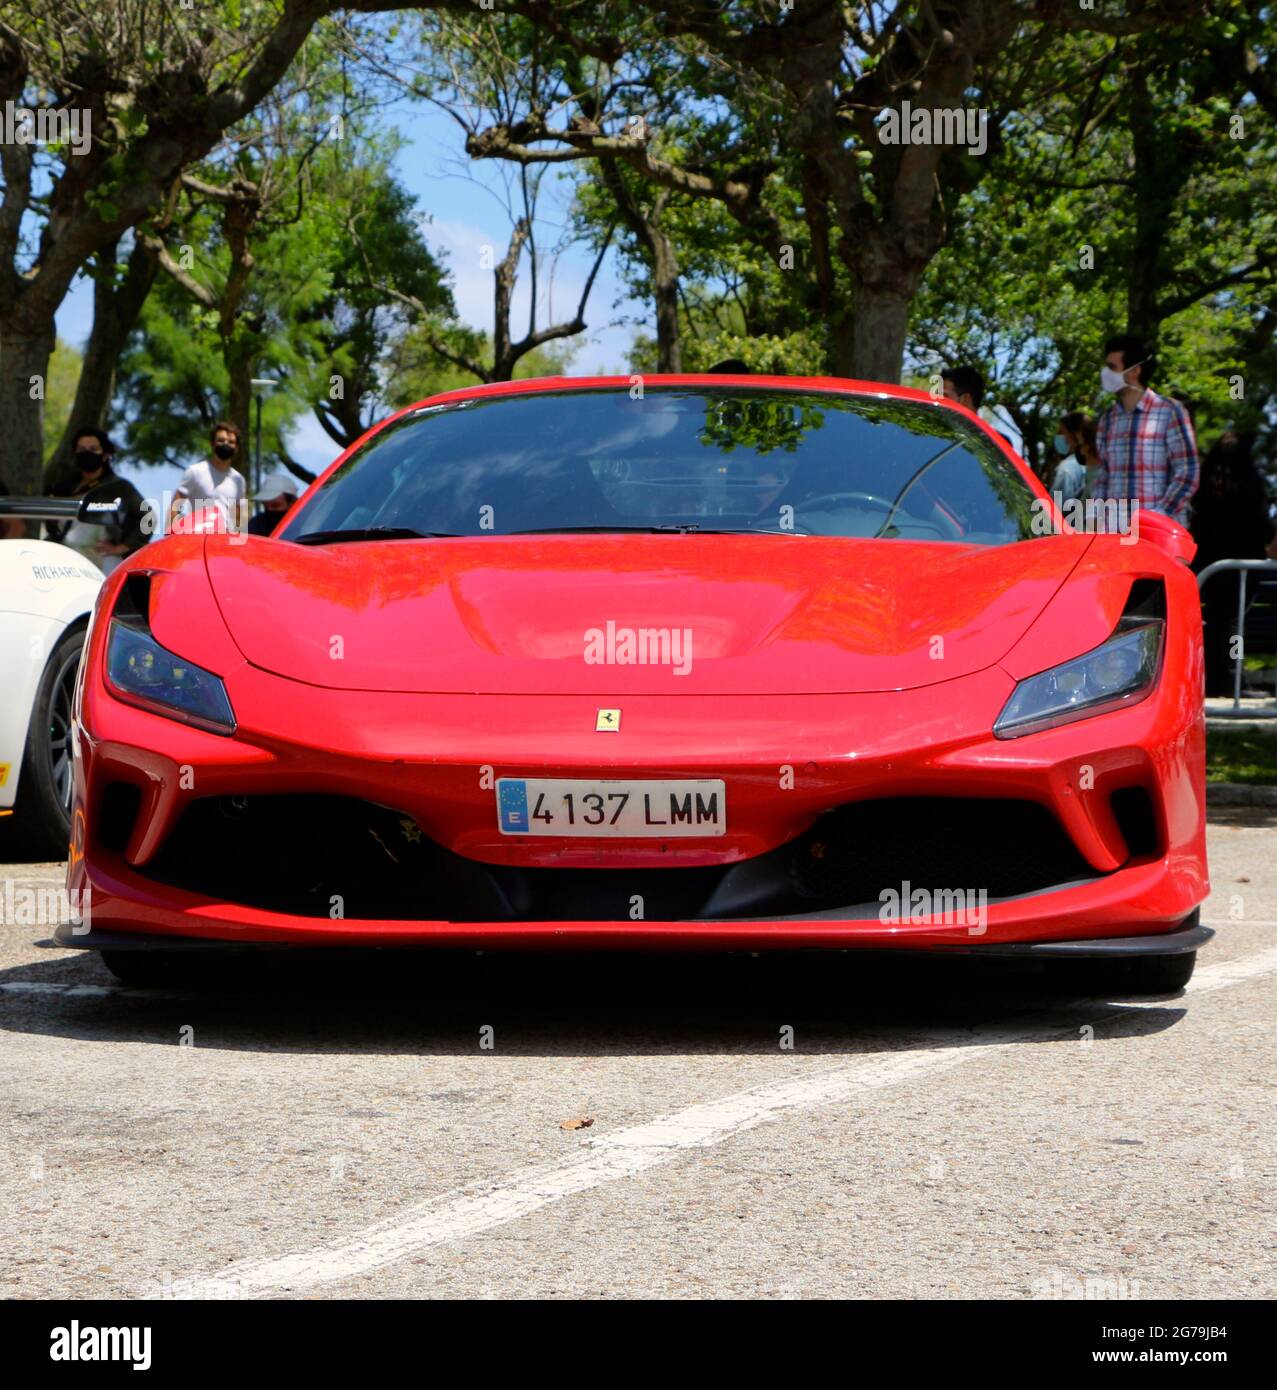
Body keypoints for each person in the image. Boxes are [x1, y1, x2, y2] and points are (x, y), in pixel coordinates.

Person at [1191, 430, 1274, 696]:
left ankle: (1215, 679)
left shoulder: (1204, 488)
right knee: (1233, 625)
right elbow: (1263, 525)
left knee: (1215, 622)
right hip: (1244, 564)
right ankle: (1233, 680)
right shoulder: (1250, 485)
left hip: (1211, 565)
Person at [1093, 334, 1199, 524]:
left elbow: (1188, 471)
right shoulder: (1107, 420)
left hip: (1160, 537)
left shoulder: (1170, 411)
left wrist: (1158, 517)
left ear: (1135, 371)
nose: (1105, 373)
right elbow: (1103, 478)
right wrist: (1096, 520)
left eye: (1112, 367)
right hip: (1116, 538)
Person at [47, 426, 153, 574]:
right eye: (81, 449)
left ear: (105, 455)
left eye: (93, 449)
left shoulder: (118, 487)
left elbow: (148, 518)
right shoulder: (63, 486)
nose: (86, 453)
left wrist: (121, 547)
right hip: (64, 561)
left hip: (103, 562)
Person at [168, 420, 248, 535]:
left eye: (231, 442)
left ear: (236, 448)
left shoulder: (238, 480)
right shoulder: (195, 471)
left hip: (225, 542)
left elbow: (240, 517)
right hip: (198, 539)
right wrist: (173, 535)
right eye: (221, 440)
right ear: (212, 443)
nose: (226, 444)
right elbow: (175, 505)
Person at [1051, 412, 1099, 505]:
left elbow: (1052, 512)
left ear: (1076, 434)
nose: (1059, 437)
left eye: (1062, 432)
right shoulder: (1096, 468)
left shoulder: (1066, 469)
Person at [247, 470, 299, 536]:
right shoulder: (256, 524)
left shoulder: (307, 526)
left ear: (293, 502)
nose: (270, 510)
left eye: (275, 506)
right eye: (265, 507)